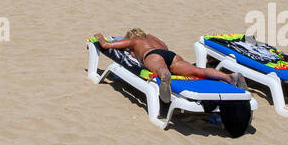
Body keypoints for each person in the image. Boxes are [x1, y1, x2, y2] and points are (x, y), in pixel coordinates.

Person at [92, 29, 237, 105]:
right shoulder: (151, 37)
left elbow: (106, 45)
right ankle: (228, 77)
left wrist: (99, 37)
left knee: (161, 69)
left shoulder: (134, 40)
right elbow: (165, 46)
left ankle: (164, 74)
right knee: (198, 71)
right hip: (171, 55)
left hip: (153, 55)